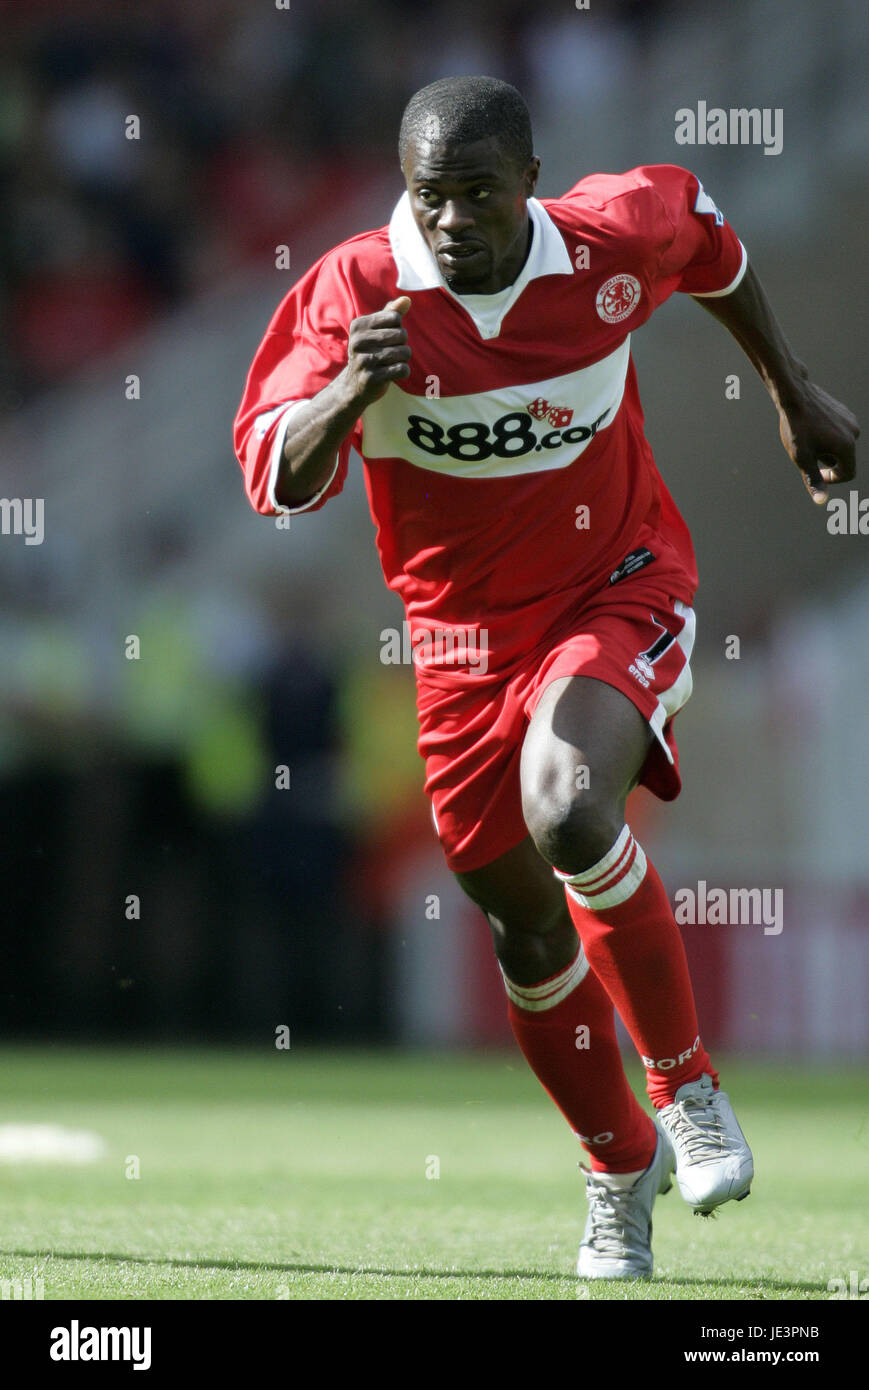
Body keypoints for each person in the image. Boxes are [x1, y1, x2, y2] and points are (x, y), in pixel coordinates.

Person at [234, 76, 858, 1279]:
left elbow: (709, 237)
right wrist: (348, 389)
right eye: (431, 196)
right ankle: (616, 1161)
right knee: (521, 928)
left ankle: (684, 1086)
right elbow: (273, 475)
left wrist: (787, 388)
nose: (454, 219)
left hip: (615, 580)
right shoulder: (355, 291)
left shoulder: (608, 238)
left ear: (529, 183)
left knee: (570, 803)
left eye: (477, 193)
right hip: (459, 643)